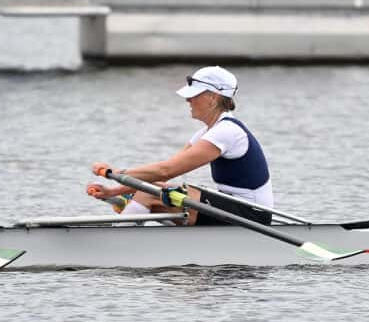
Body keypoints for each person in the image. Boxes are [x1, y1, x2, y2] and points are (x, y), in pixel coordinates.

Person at [89, 66, 273, 226]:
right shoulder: (206, 133)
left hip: (252, 214)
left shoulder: (227, 132)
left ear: (213, 97)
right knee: (152, 192)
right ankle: (129, 233)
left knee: (151, 193)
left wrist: (118, 173)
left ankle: (119, 243)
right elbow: (166, 169)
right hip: (232, 207)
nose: (188, 100)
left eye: (194, 95)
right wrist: (114, 190)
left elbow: (165, 171)